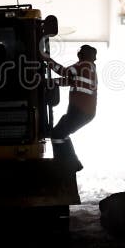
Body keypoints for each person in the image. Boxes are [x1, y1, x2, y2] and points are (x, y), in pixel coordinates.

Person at [42, 44, 98, 172]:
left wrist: (47, 60)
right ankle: (73, 162)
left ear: (82, 54)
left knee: (57, 134)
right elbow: (70, 81)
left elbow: (64, 72)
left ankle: (63, 163)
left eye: (80, 53)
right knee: (61, 133)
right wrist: (52, 82)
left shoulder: (82, 65)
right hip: (84, 112)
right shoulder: (89, 68)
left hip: (80, 111)